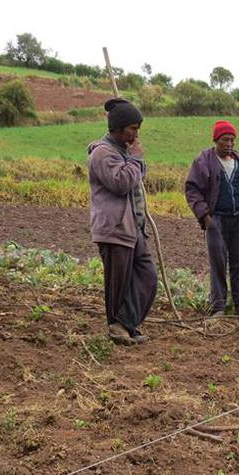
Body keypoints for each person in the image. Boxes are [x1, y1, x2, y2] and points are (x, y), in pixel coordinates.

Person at [88, 98, 158, 345]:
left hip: (133, 229)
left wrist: (134, 159)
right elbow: (120, 183)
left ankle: (125, 323)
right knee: (118, 285)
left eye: (137, 129)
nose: (136, 135)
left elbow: (135, 177)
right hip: (114, 228)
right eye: (132, 129)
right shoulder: (102, 153)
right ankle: (118, 329)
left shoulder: (124, 152)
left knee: (147, 277)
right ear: (117, 128)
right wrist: (136, 159)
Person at [184, 120, 239, 320]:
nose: (229, 144)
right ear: (215, 140)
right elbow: (192, 189)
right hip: (216, 219)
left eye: (232, 140)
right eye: (225, 140)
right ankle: (218, 306)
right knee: (218, 262)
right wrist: (205, 215)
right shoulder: (203, 161)